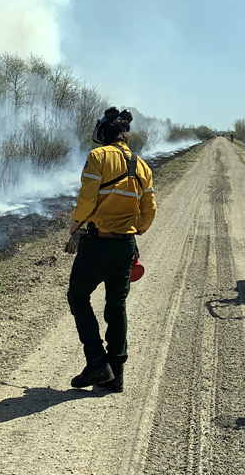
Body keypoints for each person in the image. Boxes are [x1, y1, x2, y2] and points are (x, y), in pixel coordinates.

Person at [66, 107, 156, 393]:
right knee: (116, 305)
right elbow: (149, 210)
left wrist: (75, 225)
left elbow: (87, 196)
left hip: (98, 242)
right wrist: (135, 230)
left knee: (78, 295)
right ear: (125, 136)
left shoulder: (98, 156)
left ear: (103, 134)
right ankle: (115, 373)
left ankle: (96, 362)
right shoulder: (143, 166)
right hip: (125, 245)